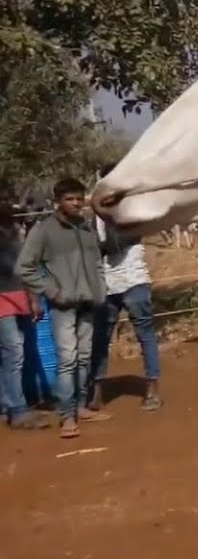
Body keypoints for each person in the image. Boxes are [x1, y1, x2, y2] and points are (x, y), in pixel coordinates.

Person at [16, 177, 111, 439]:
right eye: (69, 199)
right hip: (63, 306)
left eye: (79, 198)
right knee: (67, 360)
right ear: (57, 201)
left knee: (83, 358)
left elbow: (97, 263)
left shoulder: (87, 228)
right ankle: (67, 416)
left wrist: (100, 289)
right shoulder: (43, 230)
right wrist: (52, 291)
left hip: (88, 303)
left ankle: (81, 407)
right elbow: (24, 267)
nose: (75, 203)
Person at [86, 162, 162, 411]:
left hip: (133, 278)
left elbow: (116, 242)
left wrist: (101, 228)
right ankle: (97, 390)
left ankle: (152, 388)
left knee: (144, 334)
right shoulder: (97, 214)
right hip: (106, 282)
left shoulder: (130, 209)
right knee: (101, 337)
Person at [1, 198, 50, 429]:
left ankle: (7, 406)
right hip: (3, 300)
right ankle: (17, 410)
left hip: (18, 295)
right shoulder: (15, 235)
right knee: (14, 351)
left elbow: (25, 270)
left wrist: (33, 299)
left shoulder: (16, 235)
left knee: (11, 354)